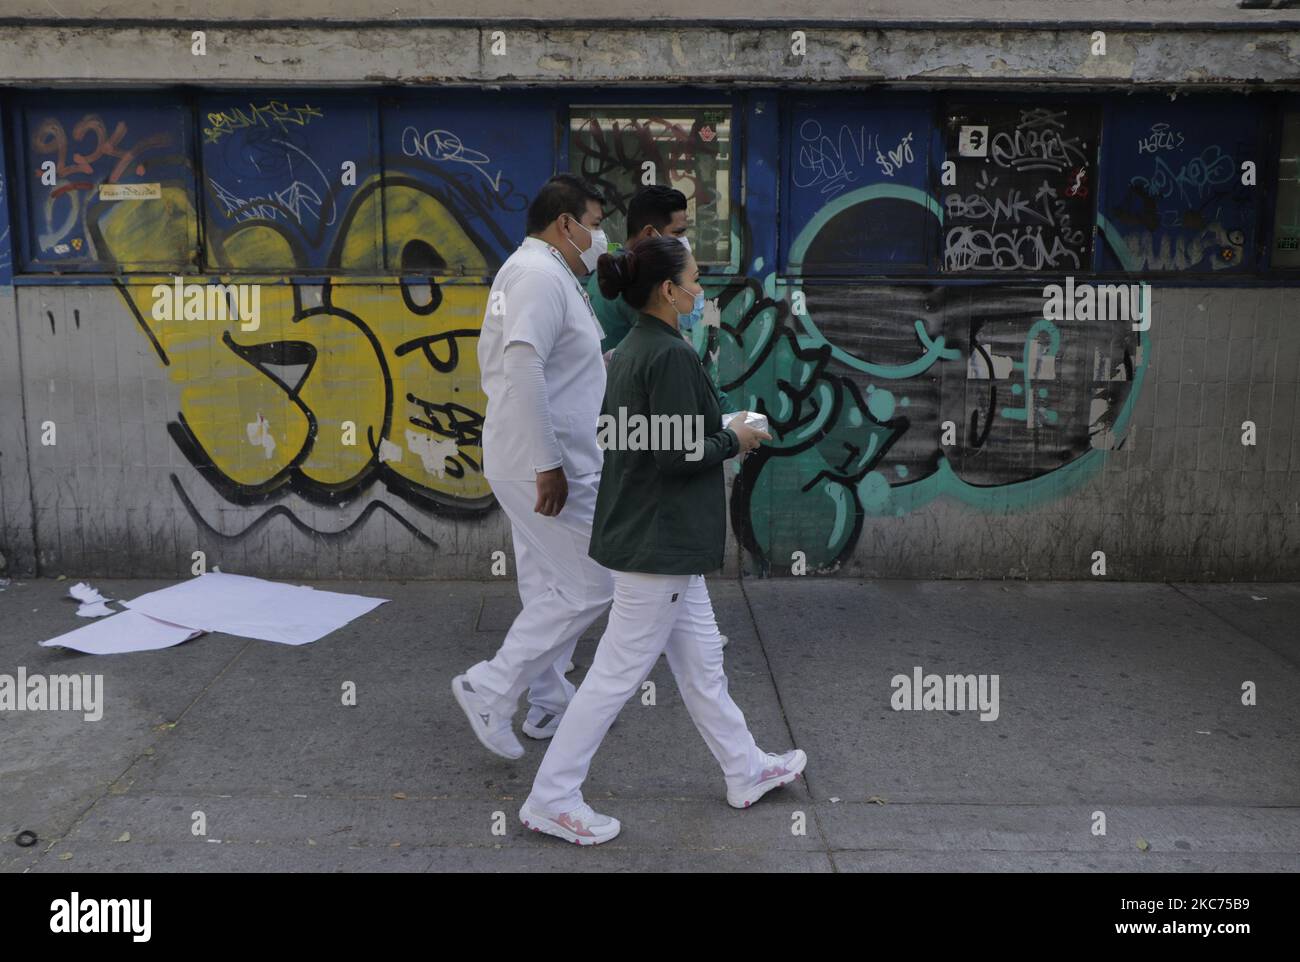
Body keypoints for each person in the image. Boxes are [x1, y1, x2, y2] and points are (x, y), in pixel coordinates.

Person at [518, 236, 806, 845]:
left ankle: (745, 768)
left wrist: (720, 426)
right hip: (659, 545)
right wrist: (737, 440)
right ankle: (552, 796)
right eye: (696, 281)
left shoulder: (633, 350)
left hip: (652, 541)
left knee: (703, 666)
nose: (702, 291)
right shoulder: (668, 355)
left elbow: (652, 438)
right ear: (670, 291)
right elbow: (680, 454)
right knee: (615, 676)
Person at [452, 174, 615, 759]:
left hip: (533, 459)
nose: (602, 240)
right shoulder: (540, 276)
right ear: (565, 224)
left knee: (548, 582)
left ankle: (546, 702)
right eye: (595, 226)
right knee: (593, 583)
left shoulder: (545, 275)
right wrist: (550, 464)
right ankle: (490, 686)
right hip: (541, 463)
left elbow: (563, 364)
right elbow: (523, 368)